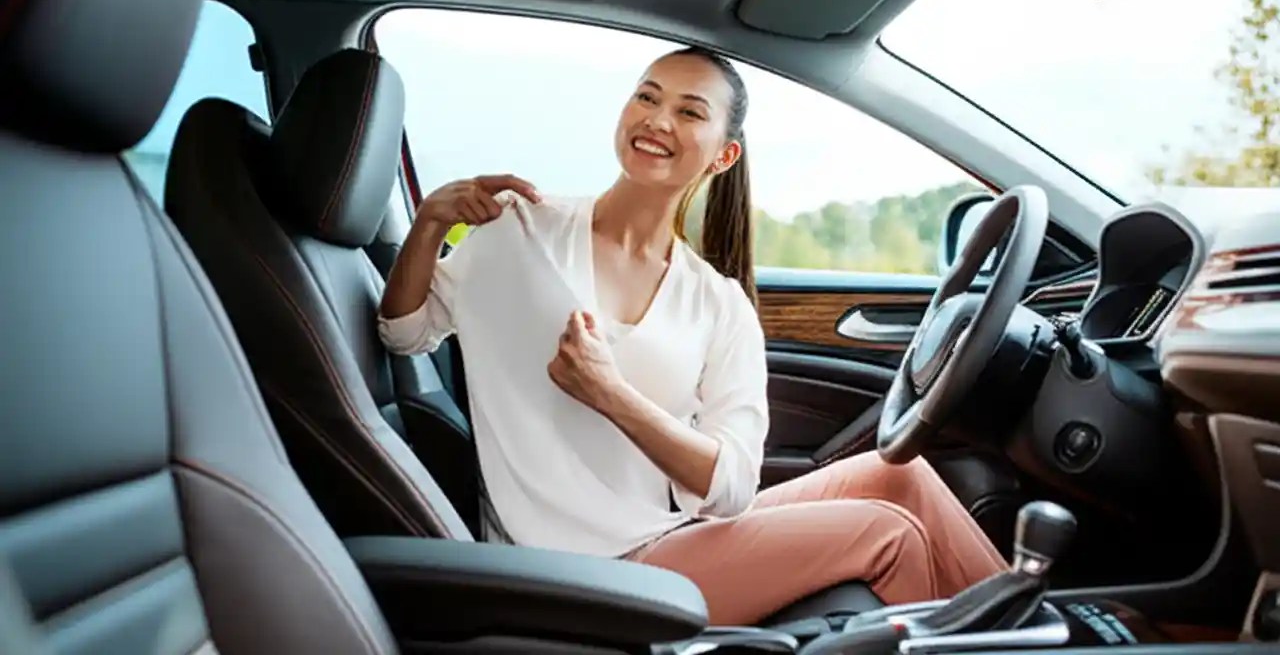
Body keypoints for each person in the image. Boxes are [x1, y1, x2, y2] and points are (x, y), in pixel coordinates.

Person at [377, 46, 1008, 626]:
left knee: (902, 477)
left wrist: (612, 395)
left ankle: (1032, 636)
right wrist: (432, 220)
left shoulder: (716, 301)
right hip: (585, 565)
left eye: (689, 111)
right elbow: (406, 331)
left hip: (666, 533)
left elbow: (732, 486)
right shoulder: (522, 231)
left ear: (722, 154)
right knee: (887, 533)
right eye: (647, 97)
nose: (658, 120)